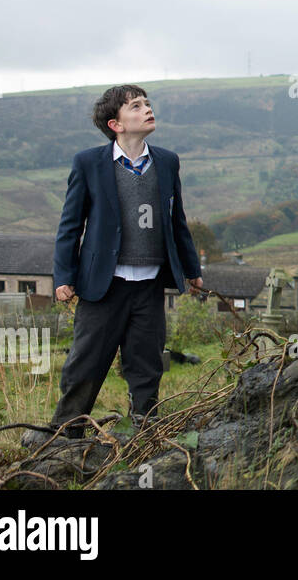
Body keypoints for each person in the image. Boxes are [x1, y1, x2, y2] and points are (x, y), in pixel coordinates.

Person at [25, 85, 204, 447]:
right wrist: (64, 276)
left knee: (146, 362)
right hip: (102, 285)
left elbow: (177, 220)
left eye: (147, 103)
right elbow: (70, 225)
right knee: (86, 363)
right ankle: (65, 433)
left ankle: (145, 430)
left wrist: (191, 268)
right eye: (136, 106)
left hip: (150, 284)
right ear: (116, 124)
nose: (147, 109)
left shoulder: (167, 161)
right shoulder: (89, 163)